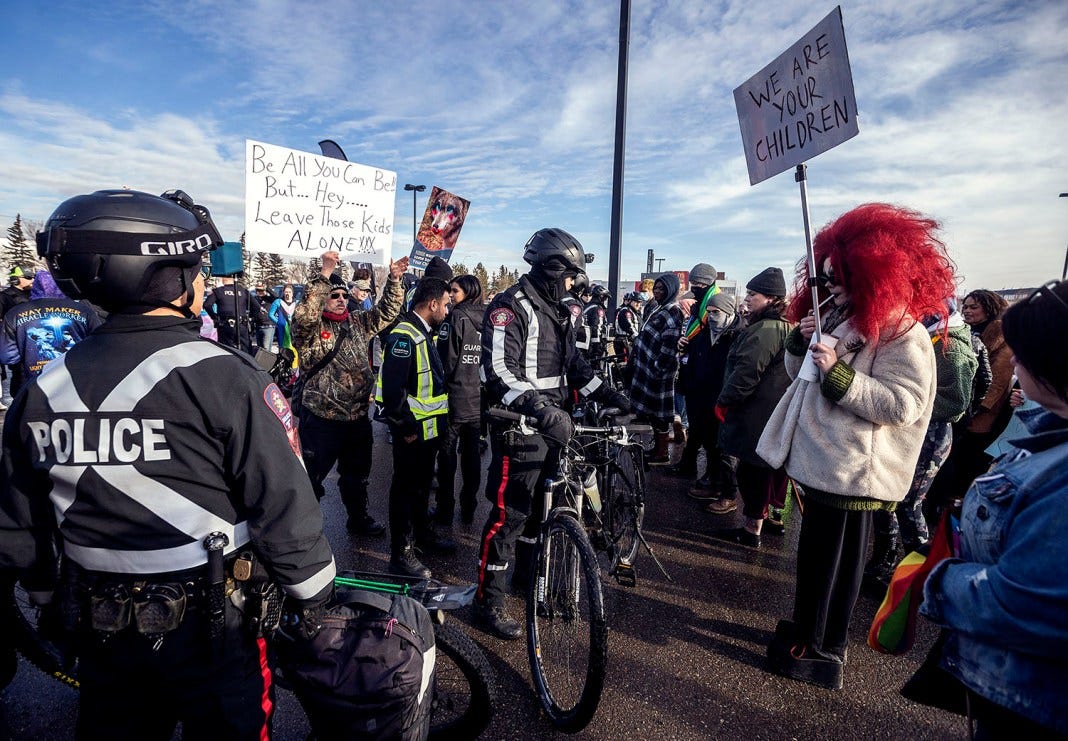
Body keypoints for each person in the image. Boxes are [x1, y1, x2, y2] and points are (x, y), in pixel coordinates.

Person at [0, 188, 335, 739]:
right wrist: (314, 595)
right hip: (214, 630)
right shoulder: (225, 375)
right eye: (194, 267)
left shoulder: (42, 390)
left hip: (98, 628)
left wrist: (42, 593)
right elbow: (283, 501)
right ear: (167, 276)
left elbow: (20, 518)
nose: (202, 279)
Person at [756, 203, 953, 690]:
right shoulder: (844, 317)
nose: (831, 289)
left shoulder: (903, 332)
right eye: (827, 280)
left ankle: (825, 645)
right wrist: (802, 346)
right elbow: (798, 379)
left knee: (836, 567)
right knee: (814, 559)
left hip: (854, 473)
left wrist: (837, 374)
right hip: (826, 466)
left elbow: (904, 405)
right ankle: (806, 628)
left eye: (840, 278)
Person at [921, 279, 1068, 738]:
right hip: (1013, 684)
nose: (1016, 361)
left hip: (1035, 699)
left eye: (1027, 352)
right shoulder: (1046, 439)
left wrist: (937, 578)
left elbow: (1025, 602)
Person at [475, 228, 629, 640]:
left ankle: (525, 579)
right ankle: (487, 602)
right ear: (551, 268)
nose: (575, 283)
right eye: (571, 275)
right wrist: (539, 408)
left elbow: (573, 367)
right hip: (521, 428)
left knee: (543, 511)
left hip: (557, 426)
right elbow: (499, 371)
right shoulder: (509, 307)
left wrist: (613, 395)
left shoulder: (559, 309)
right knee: (509, 516)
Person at [863, 299, 978, 588]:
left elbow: (956, 403)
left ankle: (921, 575)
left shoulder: (951, 346)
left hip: (931, 437)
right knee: (887, 500)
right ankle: (884, 563)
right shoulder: (923, 336)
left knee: (907, 505)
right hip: (908, 432)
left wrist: (911, 402)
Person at [292, 250, 407, 536]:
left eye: (344, 294)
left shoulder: (356, 322)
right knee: (311, 478)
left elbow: (386, 313)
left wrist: (394, 280)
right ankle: (303, 529)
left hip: (356, 417)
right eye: (334, 295)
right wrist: (326, 273)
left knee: (356, 476)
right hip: (321, 420)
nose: (342, 298)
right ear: (322, 299)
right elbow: (305, 315)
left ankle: (358, 518)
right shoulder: (310, 330)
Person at [376, 278, 455, 579]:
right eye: (445, 305)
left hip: (428, 431)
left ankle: (422, 536)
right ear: (432, 304)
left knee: (421, 490)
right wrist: (404, 427)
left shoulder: (423, 333)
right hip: (413, 434)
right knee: (405, 492)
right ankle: (401, 553)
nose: (447, 311)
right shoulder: (404, 335)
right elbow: (392, 390)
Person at [711, 267, 792, 547]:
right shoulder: (784, 326)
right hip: (772, 411)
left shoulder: (765, 330)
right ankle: (772, 518)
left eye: (752, 294)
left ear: (770, 298)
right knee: (773, 470)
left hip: (756, 412)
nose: (747, 299)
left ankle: (751, 529)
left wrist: (725, 400)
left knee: (752, 471)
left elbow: (746, 372)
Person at [674, 263, 742, 506]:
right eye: (709, 313)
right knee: (705, 437)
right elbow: (694, 359)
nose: (711, 317)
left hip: (721, 398)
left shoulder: (734, 338)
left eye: (716, 313)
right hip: (701, 394)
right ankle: (711, 479)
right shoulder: (702, 335)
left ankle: (725, 490)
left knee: (720, 446)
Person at [435, 274, 486, 526]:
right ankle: (469, 508)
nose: (451, 295)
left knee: (447, 457)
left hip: (454, 398)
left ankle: (445, 509)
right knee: (472, 456)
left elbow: (446, 360)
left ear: (467, 291)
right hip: (478, 399)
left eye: (454, 291)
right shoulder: (489, 318)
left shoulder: (455, 317)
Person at [0, 269, 101, 392]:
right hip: (75, 382)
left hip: (30, 386)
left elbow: (7, 356)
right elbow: (99, 346)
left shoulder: (14, 313)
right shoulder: (84, 311)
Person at [630, 273, 684, 463]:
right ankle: (657, 449)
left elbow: (670, 345)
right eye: (657, 288)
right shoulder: (660, 309)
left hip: (659, 374)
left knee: (660, 416)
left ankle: (662, 453)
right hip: (649, 371)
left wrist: (657, 368)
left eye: (662, 289)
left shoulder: (673, 312)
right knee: (653, 415)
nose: (658, 292)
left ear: (672, 290)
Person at [204, 274, 264, 353]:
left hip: (225, 325)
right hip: (242, 325)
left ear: (223, 279)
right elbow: (256, 306)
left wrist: (215, 317)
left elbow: (207, 305)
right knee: (245, 350)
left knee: (225, 349)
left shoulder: (219, 291)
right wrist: (252, 319)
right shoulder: (243, 291)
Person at [578, 283, 609, 361]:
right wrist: (597, 347)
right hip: (592, 345)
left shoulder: (586, 307)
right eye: (605, 298)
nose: (605, 300)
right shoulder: (598, 309)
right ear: (601, 297)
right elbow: (596, 327)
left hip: (584, 343)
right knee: (595, 368)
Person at [269, 282, 298, 358]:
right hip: (282, 329)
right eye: (286, 292)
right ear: (283, 293)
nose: (287, 294)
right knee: (283, 349)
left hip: (294, 330)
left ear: (292, 293)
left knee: (295, 349)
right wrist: (279, 322)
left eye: (289, 292)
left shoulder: (296, 303)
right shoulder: (278, 302)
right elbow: (270, 314)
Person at [613, 291, 643, 361]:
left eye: (640, 302)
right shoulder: (626, 311)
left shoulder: (635, 313)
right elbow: (629, 327)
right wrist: (638, 338)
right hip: (625, 342)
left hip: (631, 342)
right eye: (636, 302)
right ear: (630, 301)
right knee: (625, 364)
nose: (638, 304)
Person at [253, 283, 275, 351]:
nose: (260, 292)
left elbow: (276, 296)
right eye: (258, 290)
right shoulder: (255, 299)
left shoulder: (269, 299)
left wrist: (267, 288)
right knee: (259, 349)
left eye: (261, 290)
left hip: (268, 327)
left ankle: (267, 362)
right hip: (258, 326)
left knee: (266, 350)